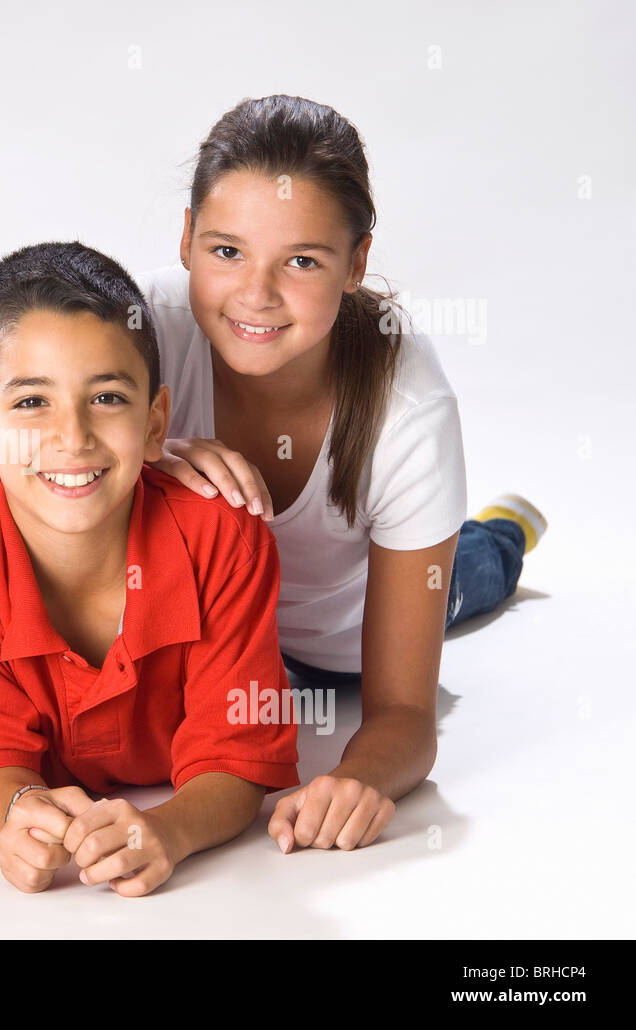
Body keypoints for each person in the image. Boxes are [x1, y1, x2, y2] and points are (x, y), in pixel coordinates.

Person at [138, 94, 546, 855]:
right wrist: (140, 452)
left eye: (301, 261)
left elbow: (403, 713)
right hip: (224, 636)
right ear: (187, 238)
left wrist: (355, 778)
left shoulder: (407, 404)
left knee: (471, 569)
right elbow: (43, 462)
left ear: (355, 263)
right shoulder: (142, 327)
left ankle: (503, 534)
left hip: (343, 639)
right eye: (226, 251)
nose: (256, 295)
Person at [0, 242, 299, 897]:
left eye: (106, 397)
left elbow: (235, 758)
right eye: (30, 404)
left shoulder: (224, 536)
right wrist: (19, 812)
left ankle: (499, 536)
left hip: (323, 620)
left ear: (156, 421)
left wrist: (172, 831)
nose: (72, 437)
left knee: (469, 577)